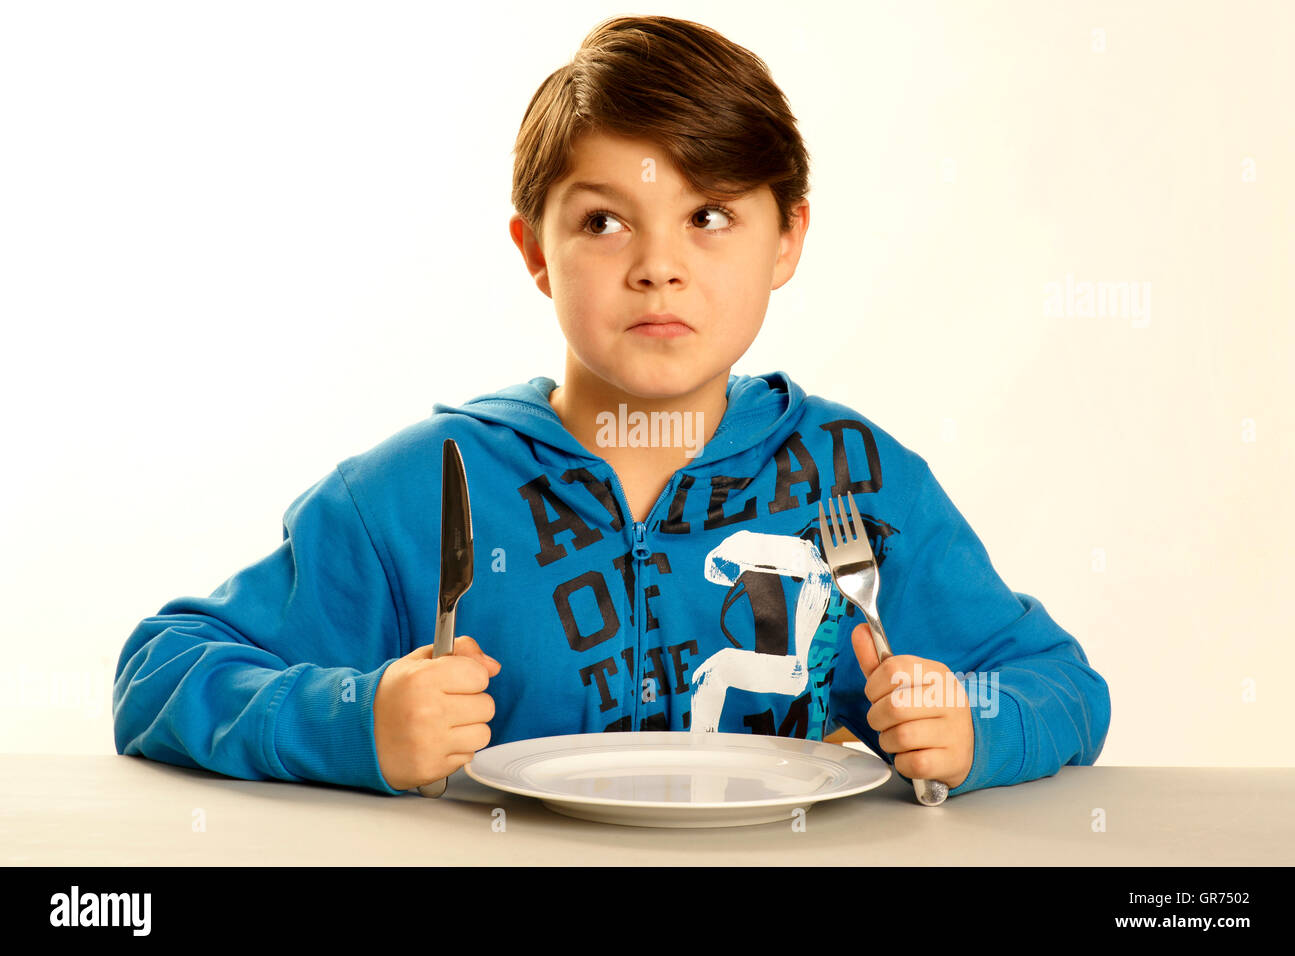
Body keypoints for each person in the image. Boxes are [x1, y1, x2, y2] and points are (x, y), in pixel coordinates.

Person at [113, 15, 1109, 798]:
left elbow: (1060, 684)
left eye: (709, 215)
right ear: (535, 251)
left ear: (786, 238)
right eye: (602, 221)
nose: (659, 267)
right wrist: (353, 718)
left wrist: (973, 725)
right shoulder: (421, 491)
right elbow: (159, 672)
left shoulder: (859, 481)